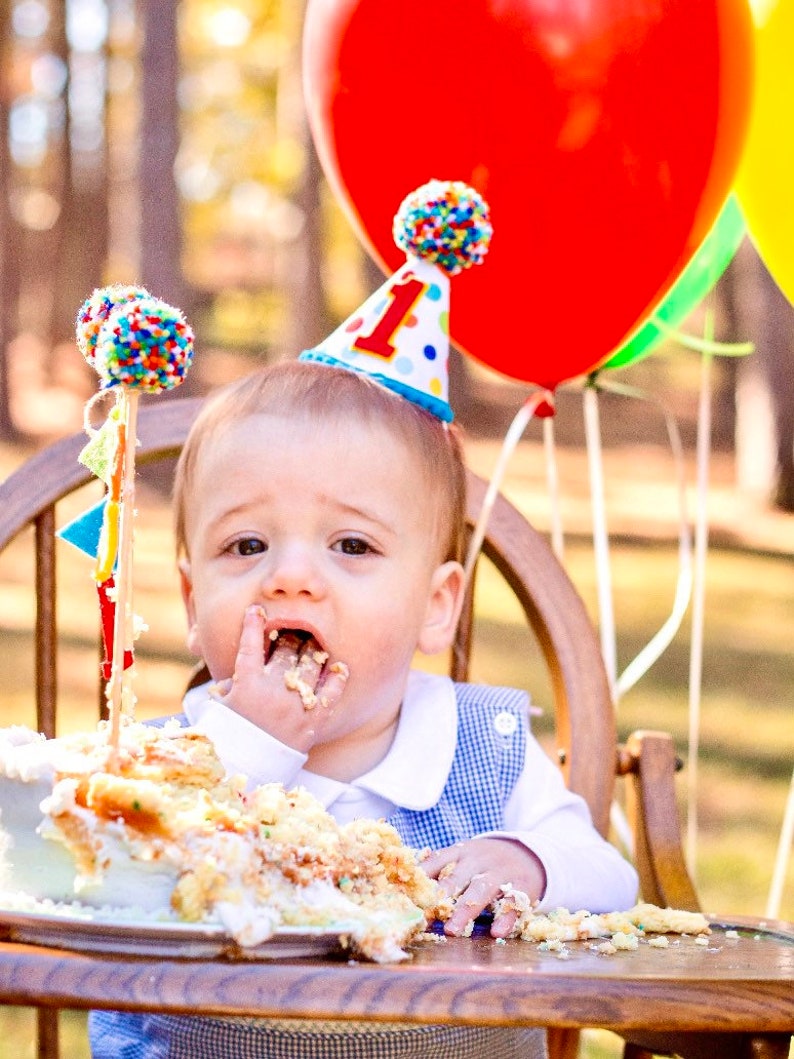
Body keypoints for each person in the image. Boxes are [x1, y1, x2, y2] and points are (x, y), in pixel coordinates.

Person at [89, 358, 638, 1059]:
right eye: (247, 544)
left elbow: (612, 881)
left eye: (352, 544)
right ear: (195, 605)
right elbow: (100, 893)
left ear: (435, 608)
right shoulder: (163, 768)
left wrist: (529, 862)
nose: (289, 575)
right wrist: (250, 749)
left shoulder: (479, 748)